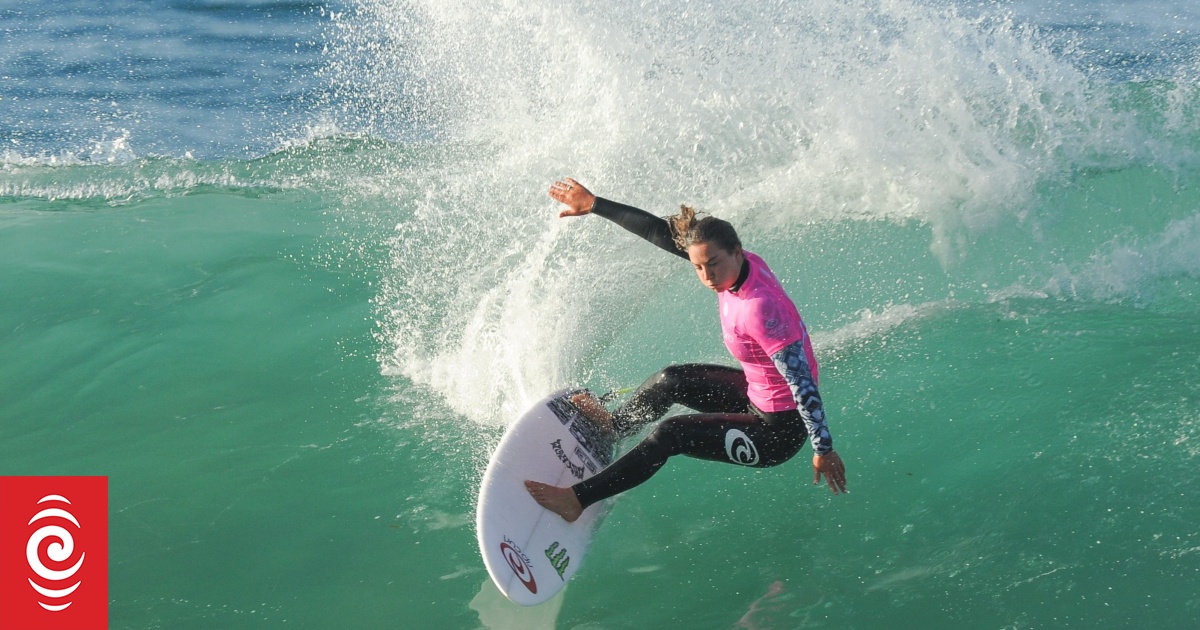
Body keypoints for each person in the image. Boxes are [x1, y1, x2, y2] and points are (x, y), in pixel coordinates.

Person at [525, 178, 847, 522]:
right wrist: (595, 204)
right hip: (757, 396)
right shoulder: (738, 267)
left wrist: (823, 448)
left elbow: (802, 382)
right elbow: (657, 233)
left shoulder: (758, 306)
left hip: (776, 432)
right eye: (698, 266)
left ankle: (576, 500)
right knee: (672, 380)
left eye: (713, 264)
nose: (707, 276)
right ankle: (614, 426)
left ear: (737, 251)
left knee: (672, 434)